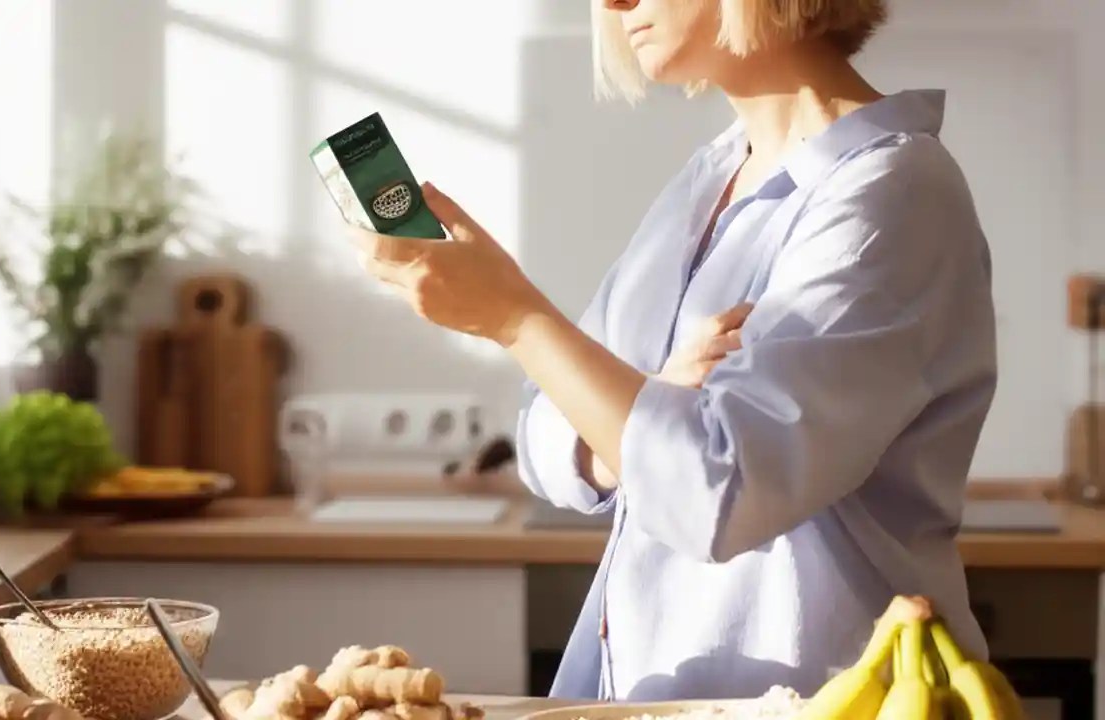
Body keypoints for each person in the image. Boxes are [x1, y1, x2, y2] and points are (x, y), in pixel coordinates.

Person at [351, 0, 995, 703]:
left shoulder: (890, 192)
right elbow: (542, 435)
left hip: (826, 697)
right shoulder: (709, 180)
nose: (612, 3)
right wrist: (654, 398)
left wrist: (516, 319)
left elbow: (719, 497)